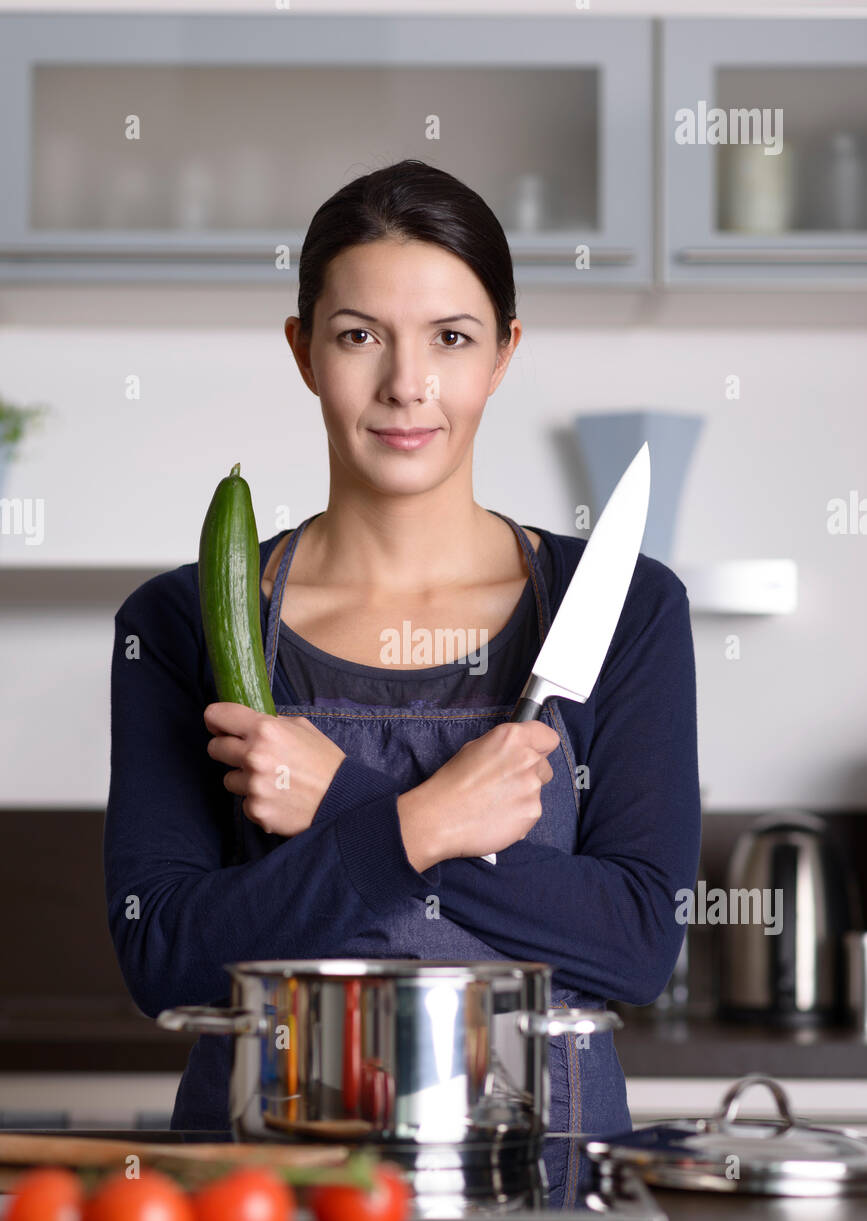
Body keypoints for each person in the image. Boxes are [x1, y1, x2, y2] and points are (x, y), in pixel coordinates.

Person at [103, 159, 701, 1138]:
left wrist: (347, 807)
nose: (406, 386)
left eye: (451, 339)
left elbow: (636, 946)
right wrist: (427, 822)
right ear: (303, 351)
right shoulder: (179, 623)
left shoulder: (624, 607)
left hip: (543, 1192)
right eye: (358, 336)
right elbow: (163, 955)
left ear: (503, 354)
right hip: (270, 1182)